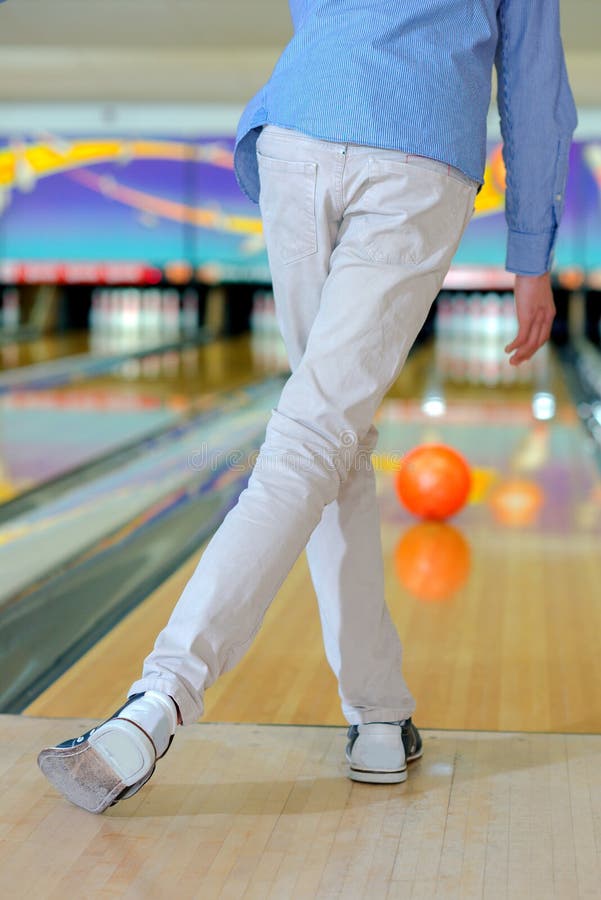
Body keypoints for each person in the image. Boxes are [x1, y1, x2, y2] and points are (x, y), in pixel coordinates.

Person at [38, 0, 577, 814]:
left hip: (298, 134)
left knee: (329, 441)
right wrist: (531, 254)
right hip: (417, 149)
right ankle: (158, 702)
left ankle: (377, 716)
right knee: (318, 438)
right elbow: (534, 84)